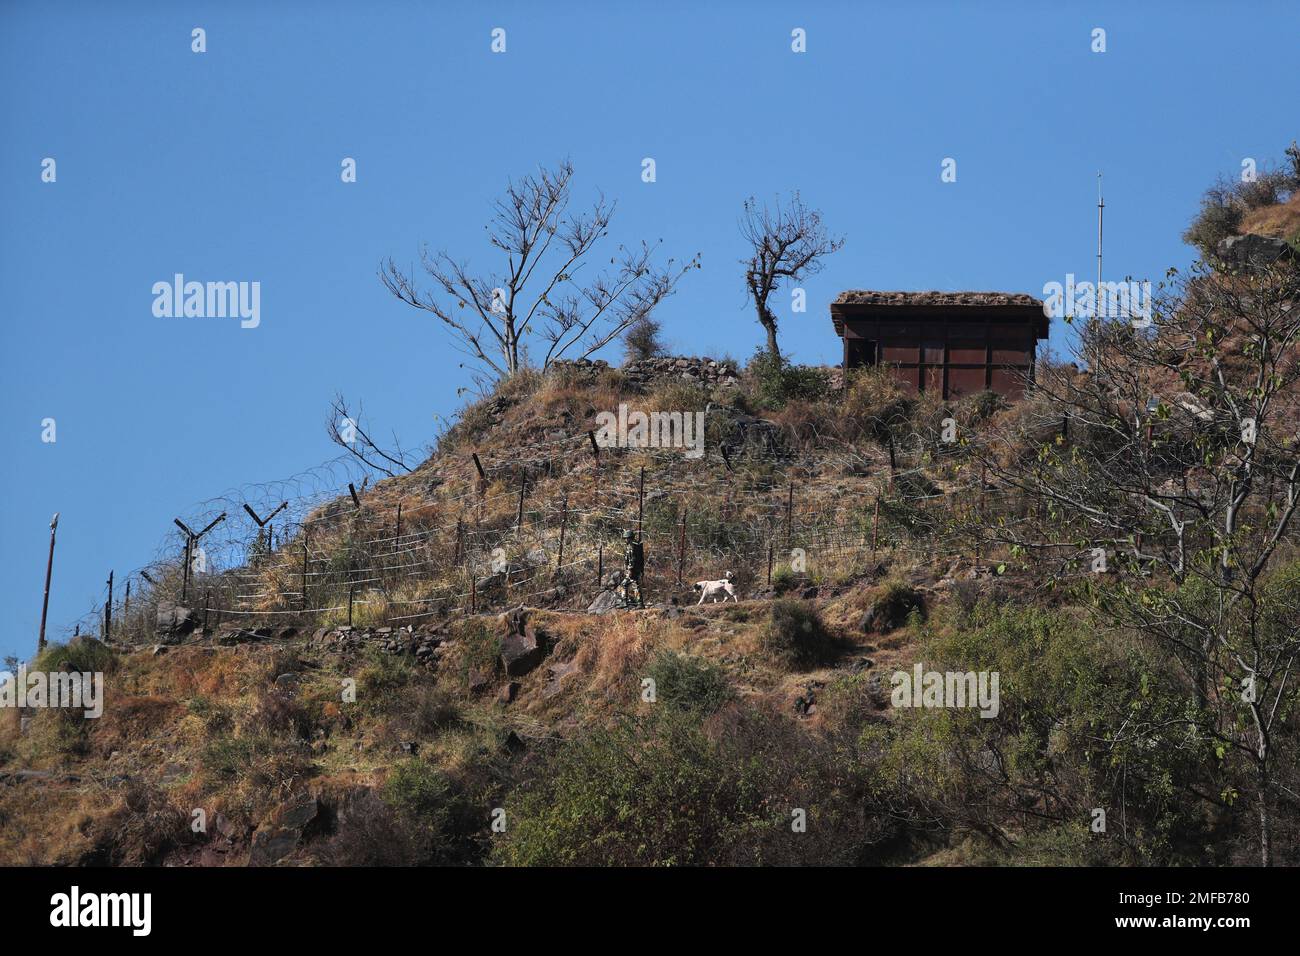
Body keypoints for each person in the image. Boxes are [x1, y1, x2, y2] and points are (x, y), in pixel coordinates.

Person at [618, 529, 645, 608]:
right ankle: (640, 603)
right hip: (636, 570)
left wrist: (629, 569)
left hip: (633, 570)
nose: (625, 540)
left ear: (630, 538)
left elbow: (632, 559)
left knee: (624, 584)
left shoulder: (632, 547)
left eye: (626, 538)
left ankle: (625, 602)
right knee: (635, 585)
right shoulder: (636, 545)